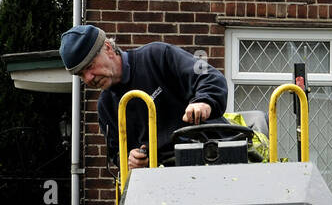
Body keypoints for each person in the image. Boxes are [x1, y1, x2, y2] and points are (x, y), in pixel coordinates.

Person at [60, 24, 232, 169]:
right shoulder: (106, 106)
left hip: (214, 157)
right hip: (164, 179)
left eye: (90, 66)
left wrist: (203, 101)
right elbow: (116, 153)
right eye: (81, 75)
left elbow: (209, 75)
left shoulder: (157, 55)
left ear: (108, 48)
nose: (88, 78)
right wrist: (129, 159)